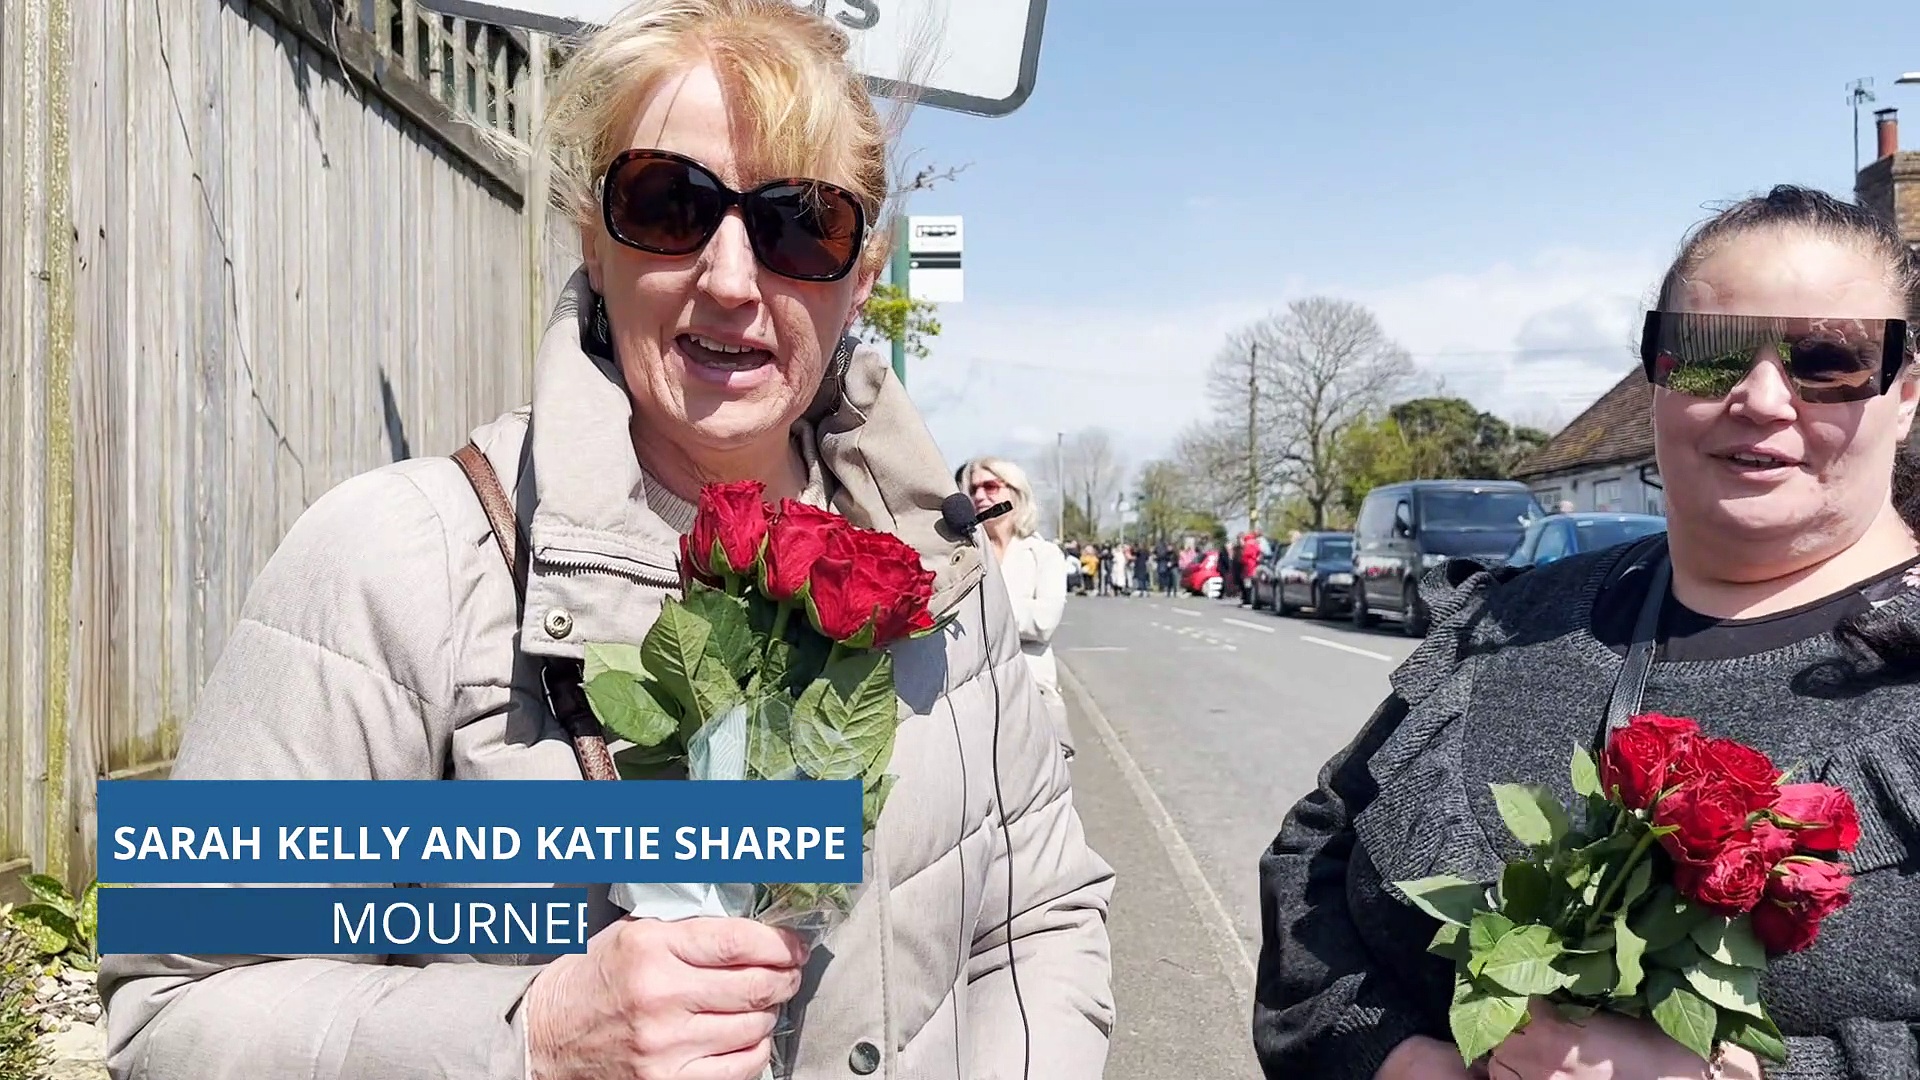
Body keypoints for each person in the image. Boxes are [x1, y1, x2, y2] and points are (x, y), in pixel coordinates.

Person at [101, 3, 1114, 1077]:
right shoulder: (395, 563)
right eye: (669, 205)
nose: (731, 279)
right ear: (595, 232)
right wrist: (529, 1038)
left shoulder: (945, 579)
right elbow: (172, 1009)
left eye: (798, 224)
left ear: (862, 273)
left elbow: (1040, 919)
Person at [1254, 184, 1920, 1080]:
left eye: (1827, 358)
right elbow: (1317, 859)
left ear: (1905, 392)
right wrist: (1394, 1059)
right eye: (1714, 352)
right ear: (1657, 370)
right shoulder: (1509, 622)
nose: (1762, 397)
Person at [956, 456, 1074, 756]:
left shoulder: (1043, 554)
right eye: (973, 490)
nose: (980, 496)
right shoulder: (962, 554)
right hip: (971, 700)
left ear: (1015, 492)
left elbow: (1042, 622)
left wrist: (980, 607)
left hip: (1030, 696)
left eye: (991, 486)